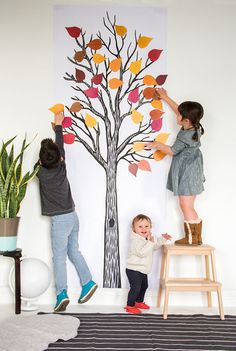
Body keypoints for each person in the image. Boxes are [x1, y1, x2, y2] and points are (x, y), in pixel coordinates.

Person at [35, 111, 97, 312]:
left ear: (42, 162)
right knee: (73, 251)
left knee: (59, 257)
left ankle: (62, 293)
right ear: (60, 158)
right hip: (73, 215)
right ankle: (87, 282)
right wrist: (58, 126)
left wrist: (43, 160)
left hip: (60, 221)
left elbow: (49, 157)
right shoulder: (62, 165)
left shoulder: (40, 172)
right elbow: (59, 144)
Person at [146, 88, 205, 245]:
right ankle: (195, 238)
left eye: (180, 115)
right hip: (192, 169)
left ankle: (192, 238)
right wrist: (165, 97)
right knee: (187, 204)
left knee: (185, 204)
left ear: (185, 120)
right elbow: (178, 109)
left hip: (188, 171)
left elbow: (172, 151)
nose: (176, 115)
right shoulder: (193, 126)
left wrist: (157, 144)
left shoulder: (186, 135)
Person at [125, 214, 171, 314]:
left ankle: (139, 301)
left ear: (150, 227)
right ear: (134, 228)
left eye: (146, 226)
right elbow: (141, 253)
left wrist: (163, 239)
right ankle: (130, 305)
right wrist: (150, 242)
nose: (144, 229)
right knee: (135, 288)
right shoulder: (135, 240)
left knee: (144, 286)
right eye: (140, 226)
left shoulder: (147, 239)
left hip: (143, 270)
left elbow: (154, 247)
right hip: (134, 269)